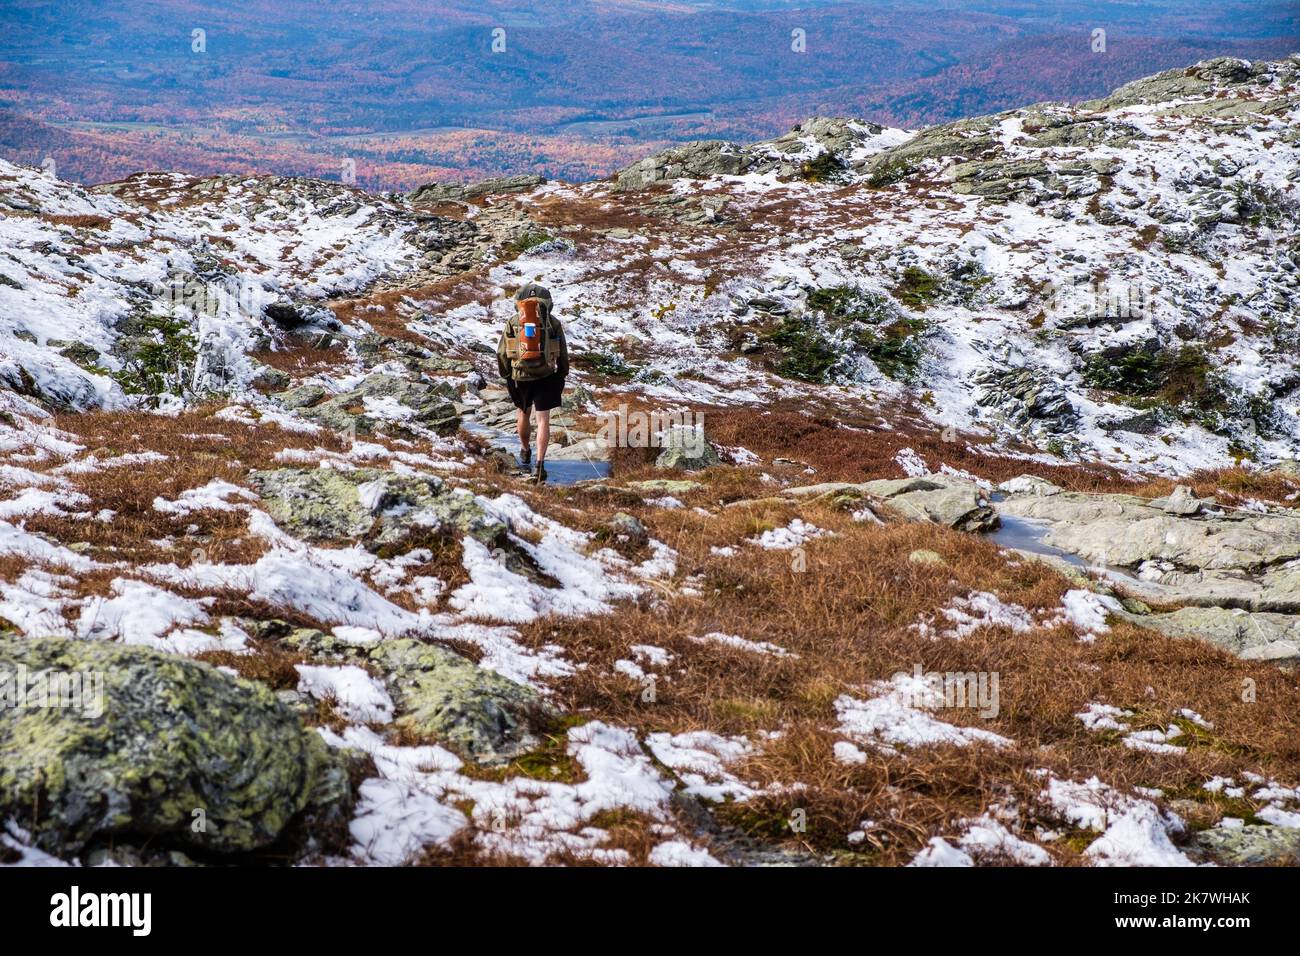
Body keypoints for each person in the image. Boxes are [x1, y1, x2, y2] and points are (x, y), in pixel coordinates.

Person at [496, 283, 568, 482]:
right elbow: (562, 351)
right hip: (546, 375)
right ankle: (540, 464)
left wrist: (507, 375)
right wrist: (561, 374)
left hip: (520, 377)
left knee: (523, 413)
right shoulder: (552, 322)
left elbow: (502, 352)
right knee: (543, 420)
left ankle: (525, 449)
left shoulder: (512, 322)